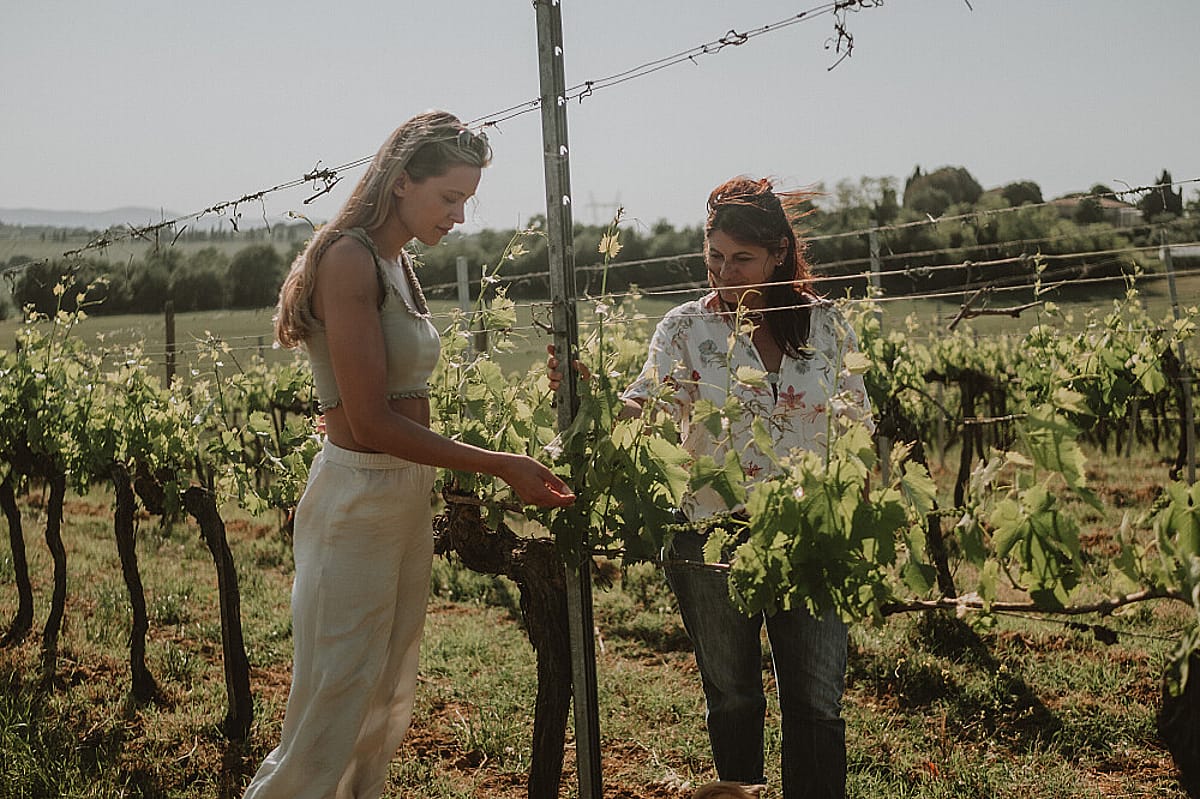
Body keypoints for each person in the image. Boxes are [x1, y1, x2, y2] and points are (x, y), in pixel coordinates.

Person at [244, 110, 574, 799]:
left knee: (382, 698)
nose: (459, 216)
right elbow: (367, 421)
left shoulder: (396, 262)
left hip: (401, 495)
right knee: (332, 704)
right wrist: (498, 463)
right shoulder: (349, 257)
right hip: (359, 494)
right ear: (400, 183)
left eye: (466, 200)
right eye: (449, 197)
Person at [550, 176, 872, 798]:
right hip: (710, 537)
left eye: (742, 258)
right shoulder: (684, 329)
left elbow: (857, 421)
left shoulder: (827, 325)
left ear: (779, 252)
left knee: (817, 702)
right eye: (715, 255)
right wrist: (586, 397)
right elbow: (642, 409)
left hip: (811, 534)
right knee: (733, 699)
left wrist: (854, 514)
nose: (725, 272)